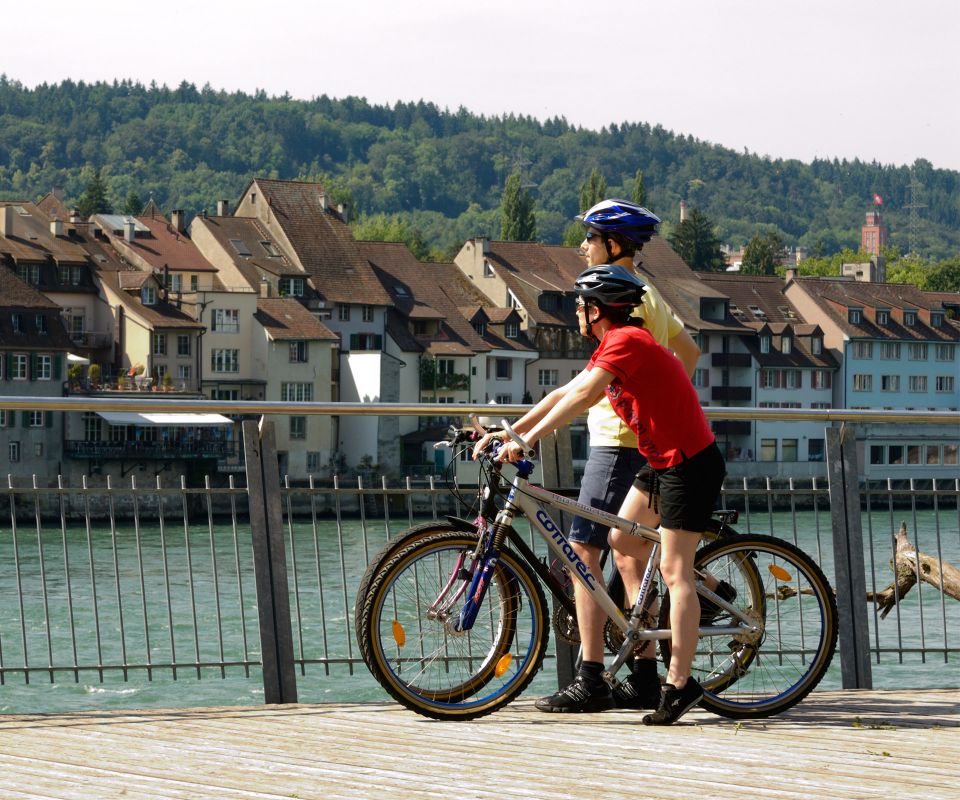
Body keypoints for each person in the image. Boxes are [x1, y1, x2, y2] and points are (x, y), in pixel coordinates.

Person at [475, 264, 725, 725]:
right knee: (623, 542)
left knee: (675, 572)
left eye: (580, 306)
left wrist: (526, 443)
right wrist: (508, 430)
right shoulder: (614, 342)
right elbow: (561, 394)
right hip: (662, 461)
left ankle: (681, 684)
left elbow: (585, 397)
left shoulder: (628, 341)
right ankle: (650, 650)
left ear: (598, 310)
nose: (575, 313)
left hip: (689, 463)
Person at [544, 199, 703, 714]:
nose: (583, 248)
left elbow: (584, 392)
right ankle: (644, 672)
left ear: (612, 245)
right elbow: (691, 354)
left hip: (617, 442)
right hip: (638, 440)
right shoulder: (647, 297)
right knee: (625, 548)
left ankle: (591, 677)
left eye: (589, 239)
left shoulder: (622, 304)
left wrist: (646, 413)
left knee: (582, 551)